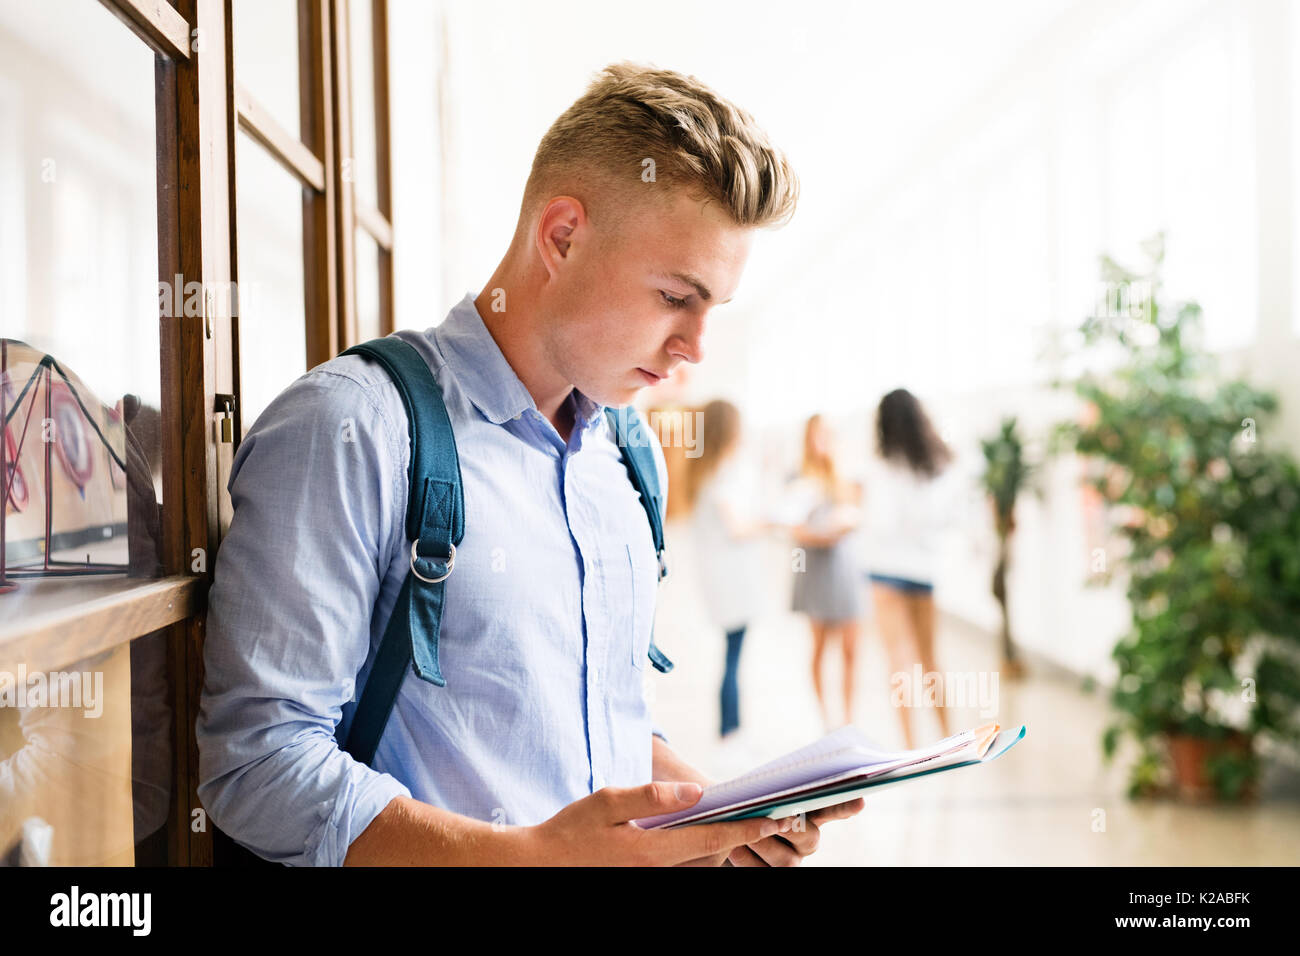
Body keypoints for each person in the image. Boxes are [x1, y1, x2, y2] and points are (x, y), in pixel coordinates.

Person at [196, 62, 863, 867]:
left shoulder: (627, 453)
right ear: (563, 236)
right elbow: (259, 765)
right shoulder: (352, 428)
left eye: (711, 308)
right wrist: (528, 857)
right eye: (674, 297)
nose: (694, 348)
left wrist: (715, 821)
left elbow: (585, 720)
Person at [863, 388, 956, 750]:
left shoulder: (880, 465)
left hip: (885, 570)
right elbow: (942, 518)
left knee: (898, 661)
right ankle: (950, 741)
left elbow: (877, 521)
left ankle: (910, 748)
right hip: (922, 570)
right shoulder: (935, 464)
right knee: (930, 658)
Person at [684, 399, 768, 740]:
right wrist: (773, 521)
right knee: (733, 657)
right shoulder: (720, 477)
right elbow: (737, 528)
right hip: (731, 583)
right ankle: (730, 729)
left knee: (732, 653)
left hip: (722, 579)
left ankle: (732, 726)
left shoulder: (703, 473)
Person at [788, 414, 863, 730]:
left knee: (851, 648)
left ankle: (847, 719)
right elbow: (793, 528)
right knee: (819, 647)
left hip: (844, 567)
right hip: (814, 568)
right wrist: (824, 533)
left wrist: (846, 526)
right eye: (817, 436)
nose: (823, 442)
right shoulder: (797, 477)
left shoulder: (843, 477)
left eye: (828, 436)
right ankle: (826, 719)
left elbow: (857, 514)